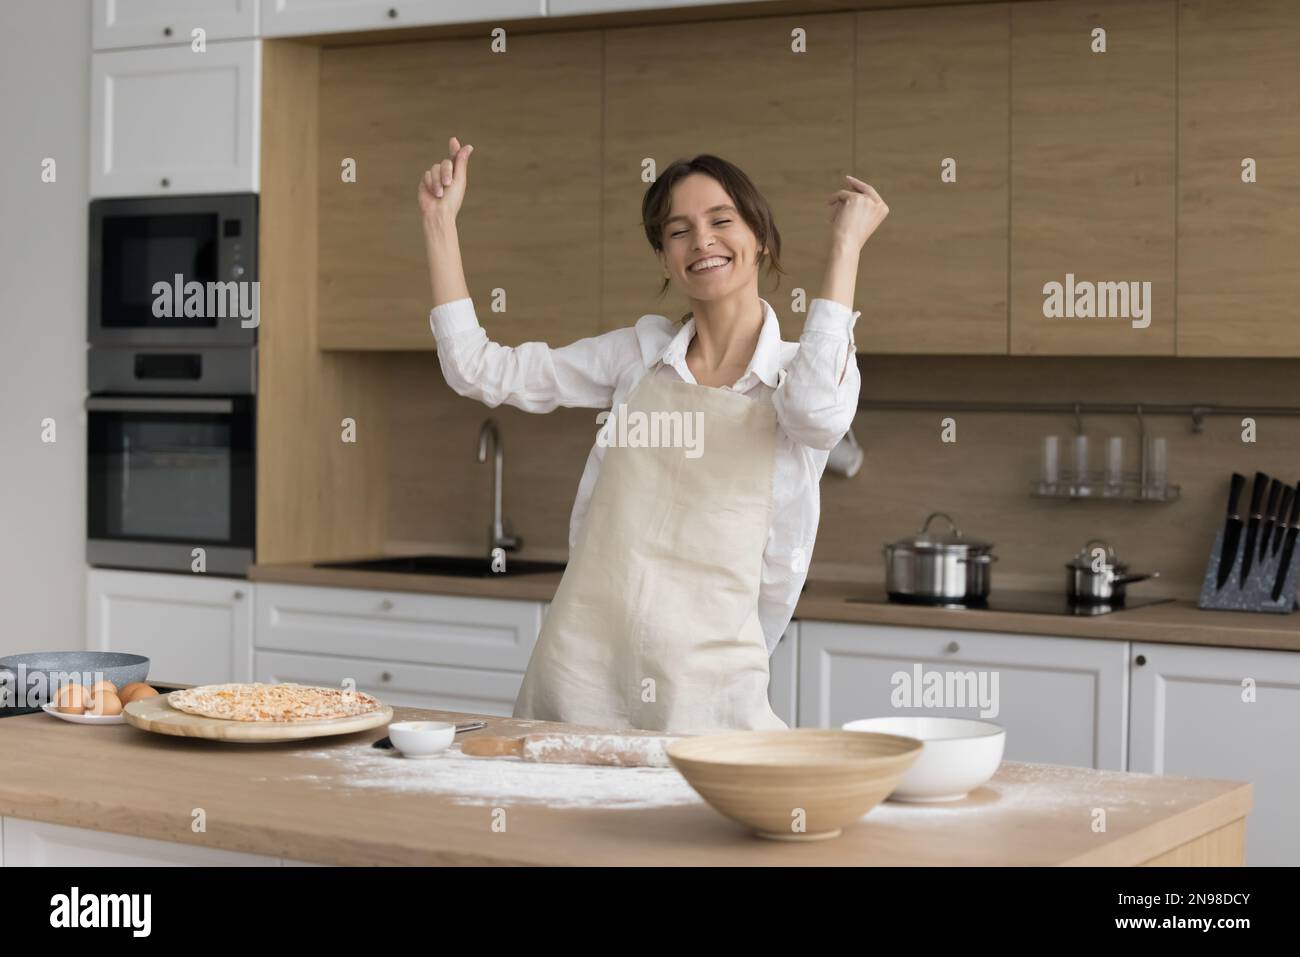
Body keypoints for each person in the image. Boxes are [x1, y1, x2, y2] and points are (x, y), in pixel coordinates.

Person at [419, 137, 888, 733]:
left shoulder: (798, 375)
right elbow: (478, 368)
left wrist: (845, 248)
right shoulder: (635, 356)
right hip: (579, 674)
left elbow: (819, 416)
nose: (702, 242)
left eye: (723, 221)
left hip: (710, 693)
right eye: (678, 231)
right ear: (664, 258)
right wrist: (439, 223)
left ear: (761, 238)